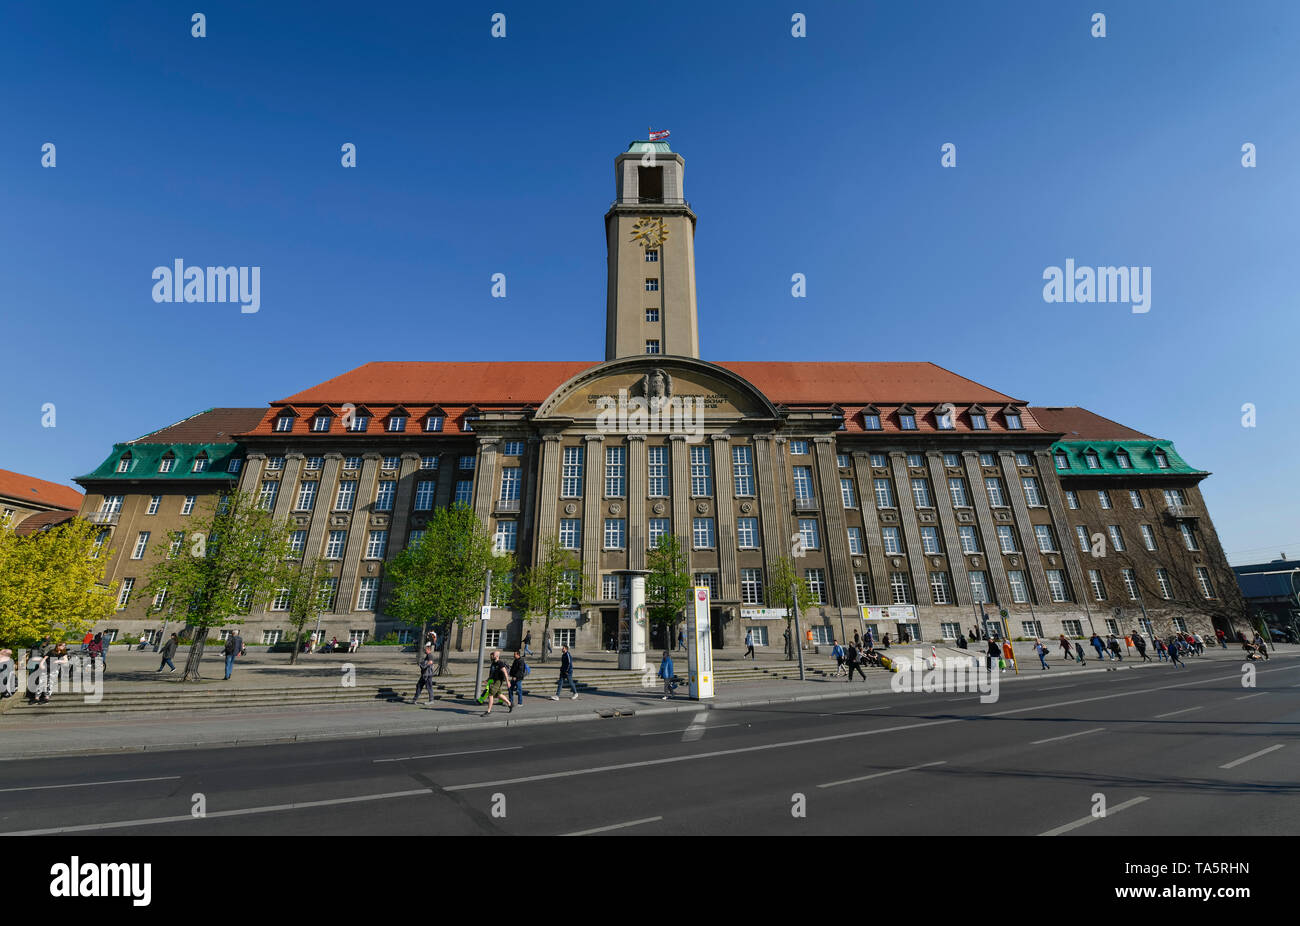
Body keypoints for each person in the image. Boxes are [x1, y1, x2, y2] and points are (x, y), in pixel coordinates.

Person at [483, 651, 513, 715]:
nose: (491, 656)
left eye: (493, 655)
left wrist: (508, 681)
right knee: (499, 695)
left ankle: (488, 711)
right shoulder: (493, 663)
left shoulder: (500, 663)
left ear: (496, 656)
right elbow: (492, 673)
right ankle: (510, 704)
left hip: (498, 681)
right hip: (494, 680)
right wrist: (488, 679)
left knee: (490, 694)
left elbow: (505, 672)